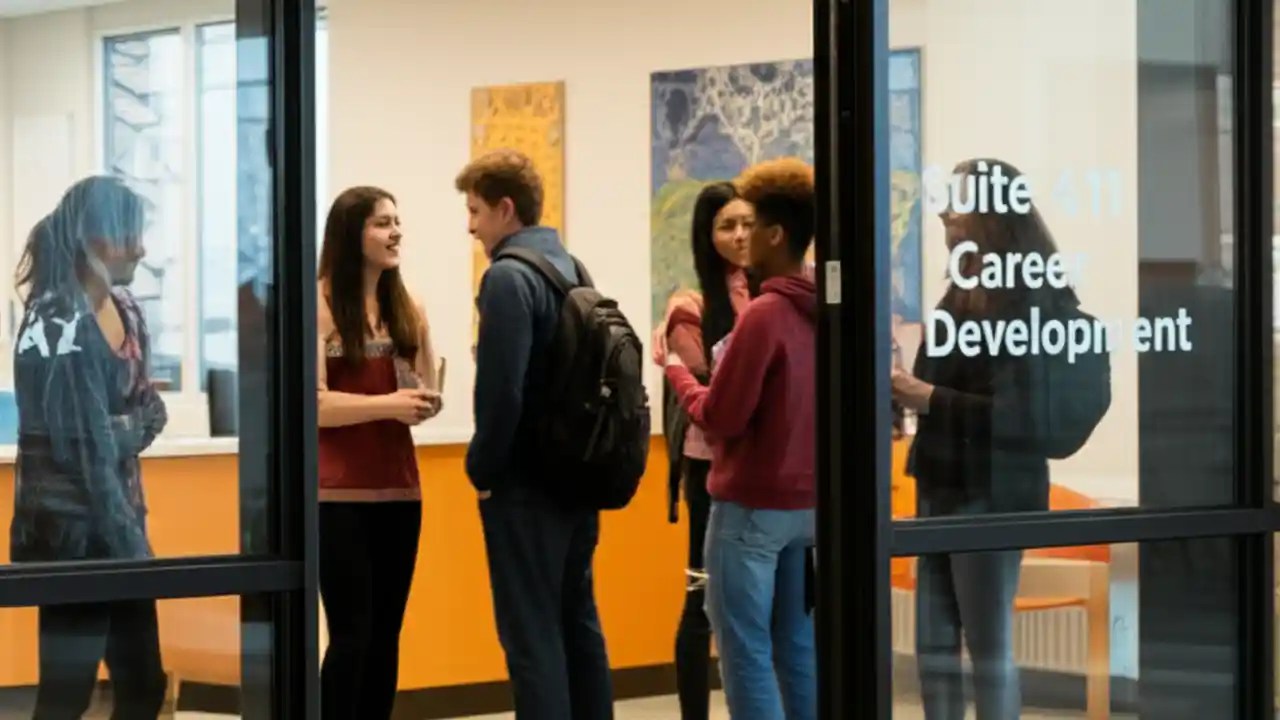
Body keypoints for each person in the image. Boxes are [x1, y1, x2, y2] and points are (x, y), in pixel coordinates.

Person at [891, 158, 1072, 720]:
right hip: (941, 483)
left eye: (959, 204)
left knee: (988, 649)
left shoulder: (1033, 301)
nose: (945, 213)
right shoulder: (959, 295)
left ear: (995, 215)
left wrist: (924, 396)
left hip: (992, 489)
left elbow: (1017, 415)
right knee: (933, 648)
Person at [457, 148, 613, 720]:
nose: (471, 226)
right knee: (577, 623)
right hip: (579, 478)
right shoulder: (574, 269)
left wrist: (482, 470)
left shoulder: (506, 278)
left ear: (505, 208)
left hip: (525, 486)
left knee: (531, 638)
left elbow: (502, 395)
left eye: (475, 211)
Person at [663, 157, 818, 720]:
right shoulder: (823, 309)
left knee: (745, 650)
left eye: (752, 226)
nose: (741, 237)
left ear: (776, 234)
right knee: (796, 643)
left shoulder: (766, 315)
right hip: (806, 507)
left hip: (751, 507)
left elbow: (722, 417)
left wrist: (676, 372)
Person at [11, 175, 169, 718]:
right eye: (128, 236)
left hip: (120, 522)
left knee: (143, 685)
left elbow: (150, 412)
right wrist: (123, 431)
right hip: (71, 537)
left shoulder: (127, 309)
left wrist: (116, 430)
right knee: (66, 694)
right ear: (90, 239)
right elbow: (85, 449)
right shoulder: (54, 320)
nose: (141, 249)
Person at [316, 186, 441, 720]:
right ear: (351, 233)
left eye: (397, 222)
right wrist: (388, 403)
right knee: (352, 636)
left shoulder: (408, 308)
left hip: (399, 490)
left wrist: (421, 402)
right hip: (336, 496)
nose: (395, 233)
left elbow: (426, 389)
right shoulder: (317, 305)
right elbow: (314, 407)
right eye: (381, 224)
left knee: (387, 635)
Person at [654, 181, 753, 720]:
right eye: (725, 226)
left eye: (746, 224)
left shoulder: (772, 293)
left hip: (769, 473)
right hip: (710, 472)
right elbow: (709, 398)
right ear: (706, 235)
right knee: (702, 601)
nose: (739, 235)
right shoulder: (690, 307)